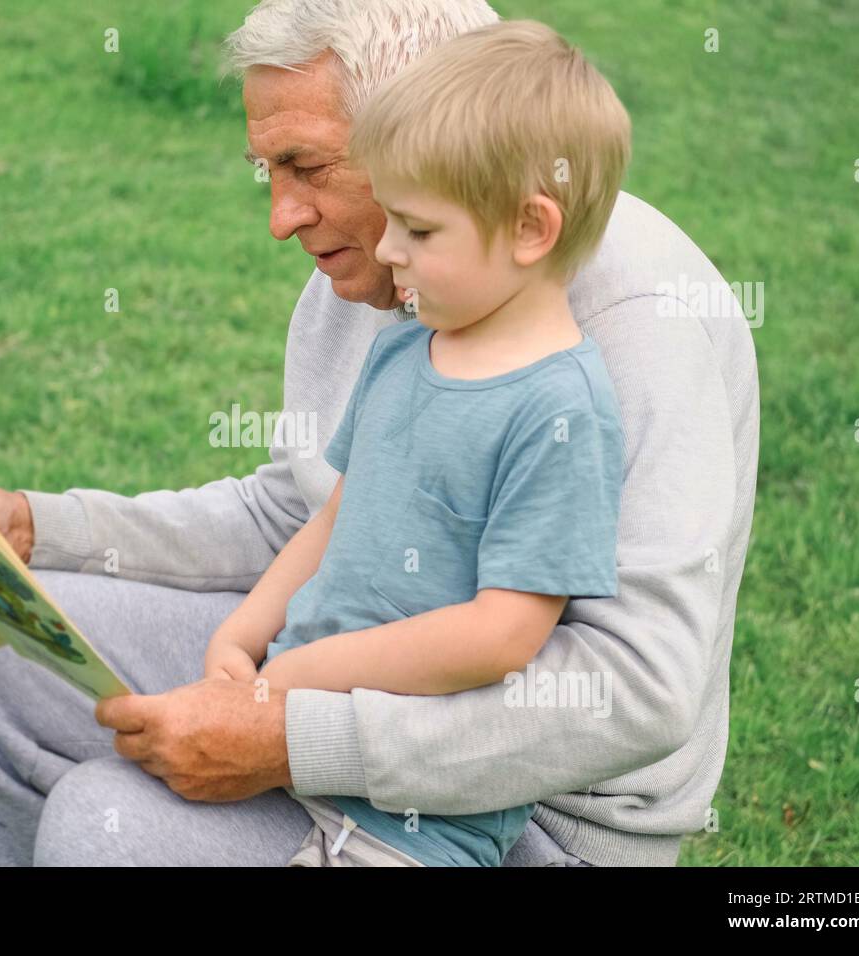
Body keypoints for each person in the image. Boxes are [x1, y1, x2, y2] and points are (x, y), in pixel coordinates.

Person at [0, 0, 760, 867]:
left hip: (531, 819)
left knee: (105, 822)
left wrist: (293, 735)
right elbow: (294, 514)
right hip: (319, 671)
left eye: (308, 166)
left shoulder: (637, 318)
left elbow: (639, 690)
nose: (280, 217)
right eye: (267, 170)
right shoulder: (386, 276)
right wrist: (42, 529)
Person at [200, 18, 631, 866]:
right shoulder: (406, 344)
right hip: (298, 738)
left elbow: (499, 636)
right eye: (389, 217)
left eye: (418, 230)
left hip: (420, 821)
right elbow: (335, 517)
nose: (389, 249)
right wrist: (244, 636)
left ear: (530, 229)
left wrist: (296, 679)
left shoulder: (562, 410)